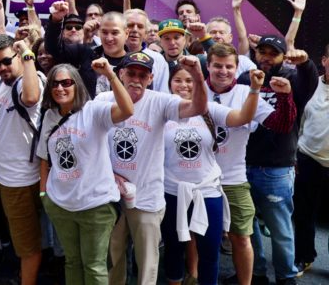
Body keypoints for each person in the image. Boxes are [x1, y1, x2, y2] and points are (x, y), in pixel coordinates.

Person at [103, 52, 209, 285]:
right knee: (113, 260)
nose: (136, 79)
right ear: (120, 73)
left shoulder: (160, 101)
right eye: (131, 73)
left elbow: (198, 108)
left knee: (148, 265)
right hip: (112, 197)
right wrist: (108, 174)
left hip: (147, 198)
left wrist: (198, 77)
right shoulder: (102, 100)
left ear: (151, 78)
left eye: (143, 75)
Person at [160, 66, 264, 285]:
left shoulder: (209, 109)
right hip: (171, 191)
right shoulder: (161, 110)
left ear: (198, 83)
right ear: (169, 84)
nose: (184, 85)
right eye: (178, 80)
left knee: (209, 250)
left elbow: (243, 117)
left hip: (207, 191)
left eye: (189, 81)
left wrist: (254, 90)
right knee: (173, 247)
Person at [204, 42, 296, 285]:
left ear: (236, 68)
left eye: (228, 67)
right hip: (198, 179)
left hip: (233, 178)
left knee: (241, 237)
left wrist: (285, 97)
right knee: (198, 236)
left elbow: (281, 124)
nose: (222, 71)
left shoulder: (246, 93)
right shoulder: (194, 90)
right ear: (208, 66)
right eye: (217, 66)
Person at [38, 59, 134, 285]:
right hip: (61, 204)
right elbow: (44, 157)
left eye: (66, 82)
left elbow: (127, 110)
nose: (60, 88)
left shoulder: (94, 111)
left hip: (95, 206)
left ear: (77, 85)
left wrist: (111, 75)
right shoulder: (50, 116)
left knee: (94, 265)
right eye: (54, 84)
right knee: (72, 262)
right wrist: (44, 195)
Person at [237, 35, 318, 284]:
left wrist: (305, 64)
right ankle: (256, 271)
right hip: (242, 164)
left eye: (273, 53)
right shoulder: (245, 78)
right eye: (262, 51)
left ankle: (286, 276)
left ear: (283, 56)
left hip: (277, 168)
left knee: (281, 228)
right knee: (247, 227)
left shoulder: (293, 79)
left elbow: (310, 82)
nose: (266, 57)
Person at [0, 35, 45, 285]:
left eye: (6, 61)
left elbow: (31, 99)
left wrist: (28, 55)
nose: (2, 68)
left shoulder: (30, 80)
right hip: (7, 176)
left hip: (21, 178)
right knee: (24, 239)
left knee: (26, 243)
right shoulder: (5, 82)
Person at [293, 42, 329, 275]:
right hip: (308, 158)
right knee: (304, 214)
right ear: (325, 60)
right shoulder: (311, 85)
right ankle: (304, 257)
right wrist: (294, 155)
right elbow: (299, 122)